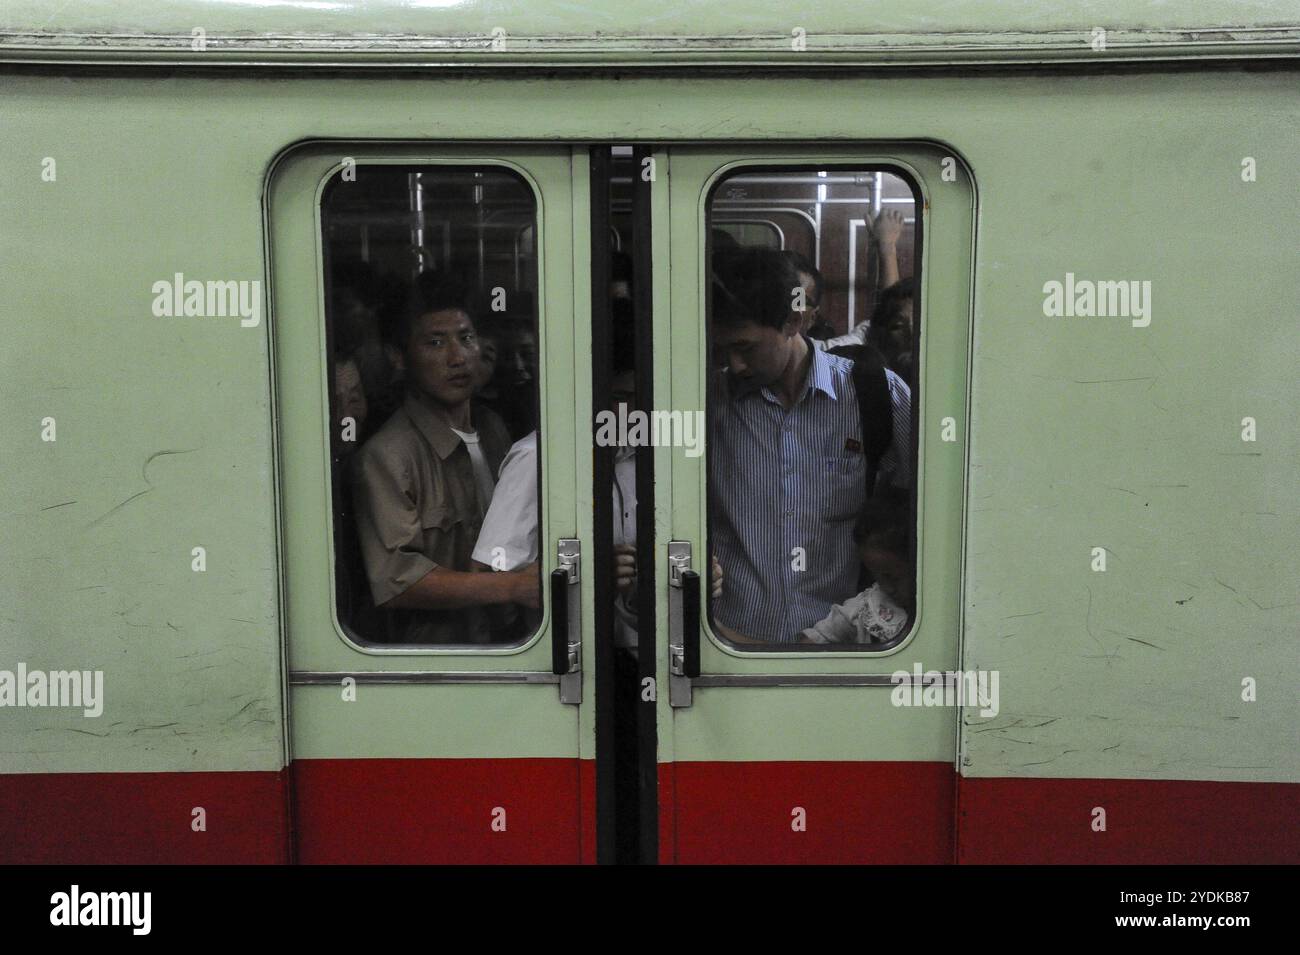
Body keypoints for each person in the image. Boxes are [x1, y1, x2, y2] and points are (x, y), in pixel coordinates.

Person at [708, 247, 910, 643]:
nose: (734, 366)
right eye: (723, 350)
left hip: (846, 644)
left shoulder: (876, 395)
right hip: (731, 641)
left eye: (745, 347)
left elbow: (917, 517)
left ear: (793, 321)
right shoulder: (708, 403)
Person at [351, 281, 538, 644]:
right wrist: (513, 587)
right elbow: (398, 582)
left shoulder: (494, 428)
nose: (458, 357)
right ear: (399, 357)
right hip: (442, 653)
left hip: (513, 640)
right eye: (435, 343)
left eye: (466, 338)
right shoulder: (388, 455)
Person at [799, 497, 913, 644]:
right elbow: (814, 640)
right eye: (877, 577)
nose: (887, 588)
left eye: (893, 577)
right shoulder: (864, 607)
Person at [811, 208, 906, 352]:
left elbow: (886, 319)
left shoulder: (817, 351)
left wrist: (886, 248)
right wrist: (887, 248)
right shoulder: (815, 352)